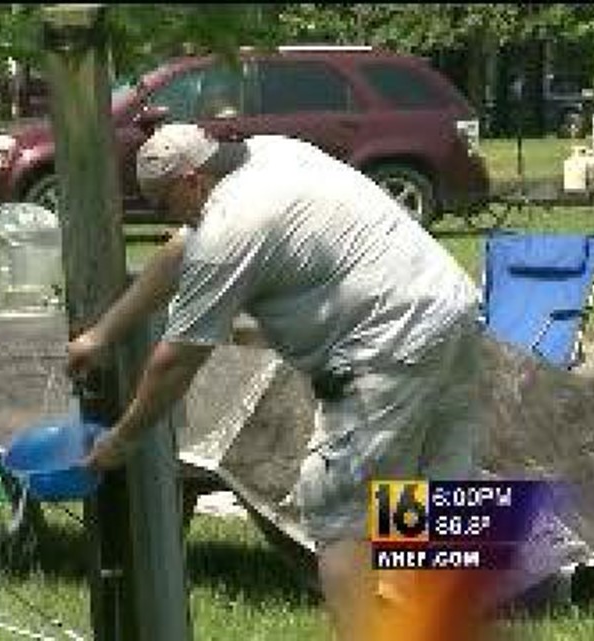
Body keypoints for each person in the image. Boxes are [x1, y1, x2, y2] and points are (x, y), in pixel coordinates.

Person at [66, 122, 484, 639]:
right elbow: (181, 247)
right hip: (450, 311)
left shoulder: (231, 228)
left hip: (386, 346)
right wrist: (104, 334)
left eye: (163, 201)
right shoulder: (269, 154)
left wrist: (122, 439)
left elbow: (176, 360)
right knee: (427, 498)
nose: (164, 215)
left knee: (339, 516)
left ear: (193, 180)